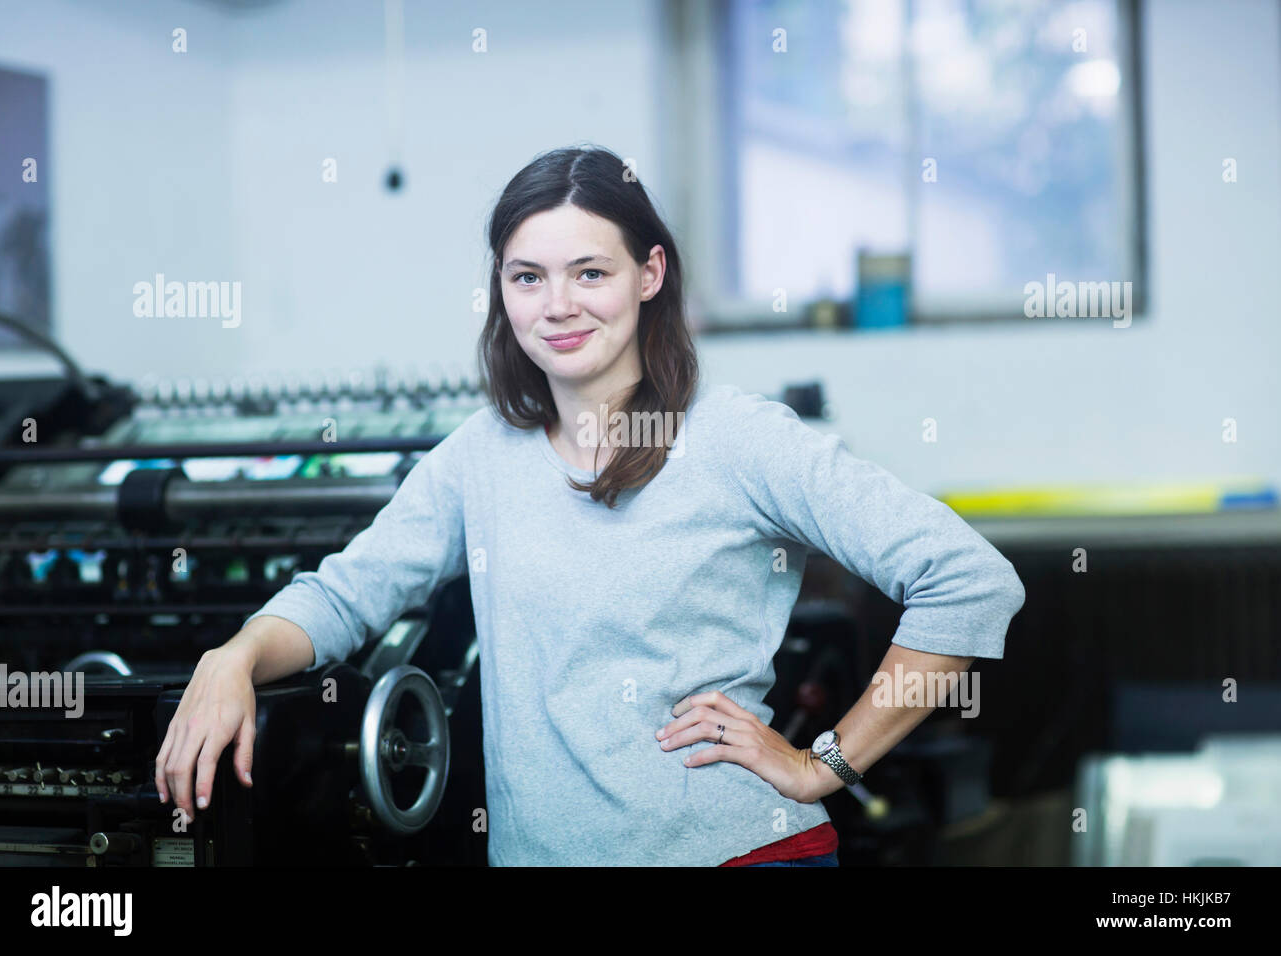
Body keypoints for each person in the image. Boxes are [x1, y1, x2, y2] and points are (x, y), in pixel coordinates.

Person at [154, 143, 1026, 866]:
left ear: (650, 274)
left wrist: (818, 764)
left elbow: (969, 581)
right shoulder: (479, 455)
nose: (558, 304)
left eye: (589, 271)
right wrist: (232, 657)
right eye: (527, 277)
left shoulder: (737, 439)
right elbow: (349, 595)